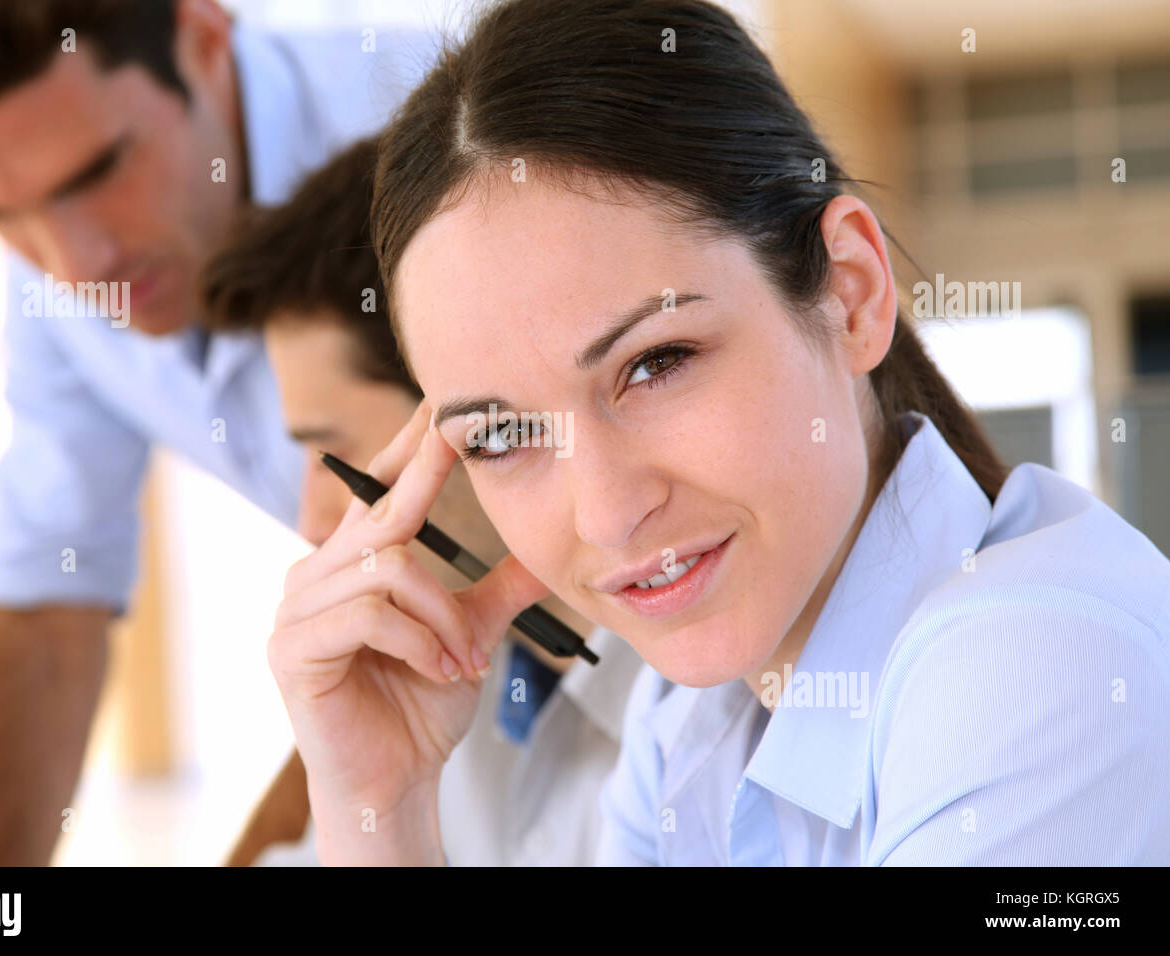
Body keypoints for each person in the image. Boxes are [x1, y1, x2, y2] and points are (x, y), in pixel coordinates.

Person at [266, 0, 1170, 865]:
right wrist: (375, 805)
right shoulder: (688, 727)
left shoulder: (1044, 672)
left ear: (850, 291)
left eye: (657, 364)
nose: (609, 514)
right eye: (502, 435)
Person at [0, 0, 432, 864]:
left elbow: (458, 571)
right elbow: (47, 595)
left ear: (203, 38)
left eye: (96, 172)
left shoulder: (446, 124)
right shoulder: (63, 260)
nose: (73, 265)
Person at [200, 134, 646, 865]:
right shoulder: (447, 683)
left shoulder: (716, 709)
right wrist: (374, 807)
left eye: (343, 467)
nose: (314, 524)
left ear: (487, 423)